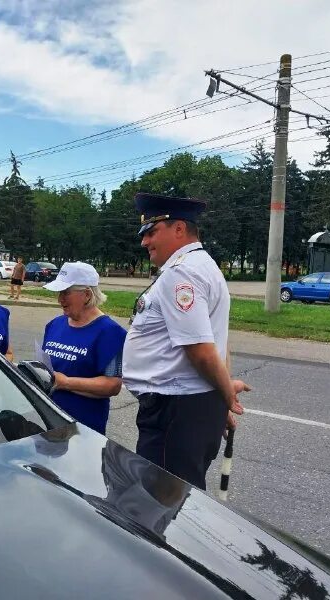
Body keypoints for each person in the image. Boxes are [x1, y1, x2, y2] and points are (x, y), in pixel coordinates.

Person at [122, 193, 249, 490]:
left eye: (152, 232)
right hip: (189, 407)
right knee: (181, 498)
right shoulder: (201, 266)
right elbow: (219, 342)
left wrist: (227, 397)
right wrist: (221, 396)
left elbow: (202, 352)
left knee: (162, 503)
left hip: (174, 411)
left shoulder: (181, 274)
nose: (144, 242)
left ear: (179, 229)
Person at [41, 262, 127, 435]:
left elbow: (112, 385)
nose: (60, 299)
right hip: (48, 421)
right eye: (59, 293)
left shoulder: (110, 333)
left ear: (87, 295)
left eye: (66, 293)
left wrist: (66, 383)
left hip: (84, 429)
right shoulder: (55, 325)